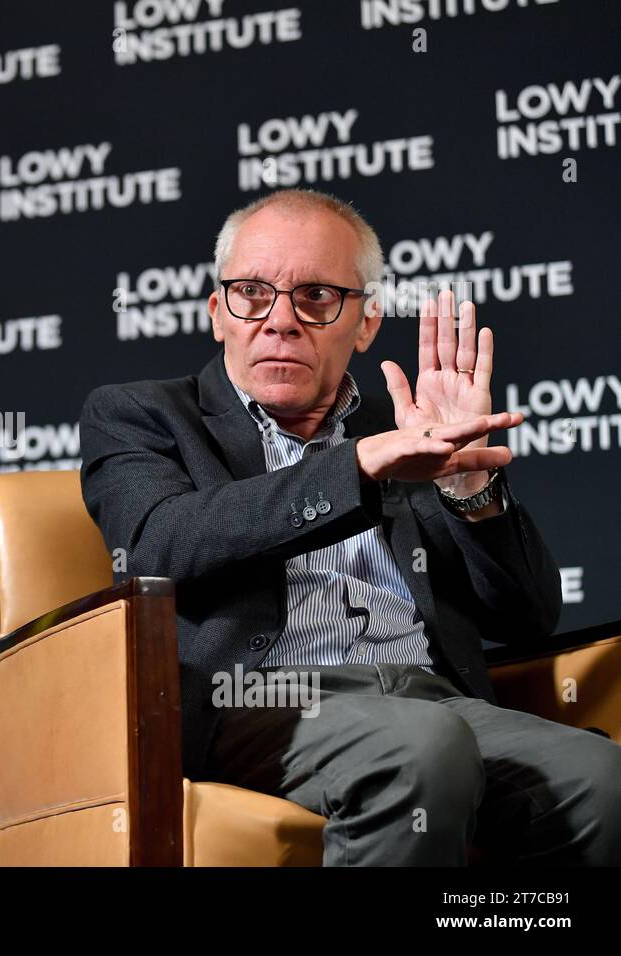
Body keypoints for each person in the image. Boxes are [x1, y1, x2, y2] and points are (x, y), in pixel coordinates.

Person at [79, 188, 621, 865]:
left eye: (315, 297)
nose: (280, 321)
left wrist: (466, 485)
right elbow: (157, 546)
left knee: (605, 781)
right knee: (422, 749)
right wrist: (357, 469)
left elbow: (527, 616)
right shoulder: (144, 415)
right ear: (218, 313)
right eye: (252, 293)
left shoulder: (405, 431)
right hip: (255, 704)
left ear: (364, 324)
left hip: (433, 698)